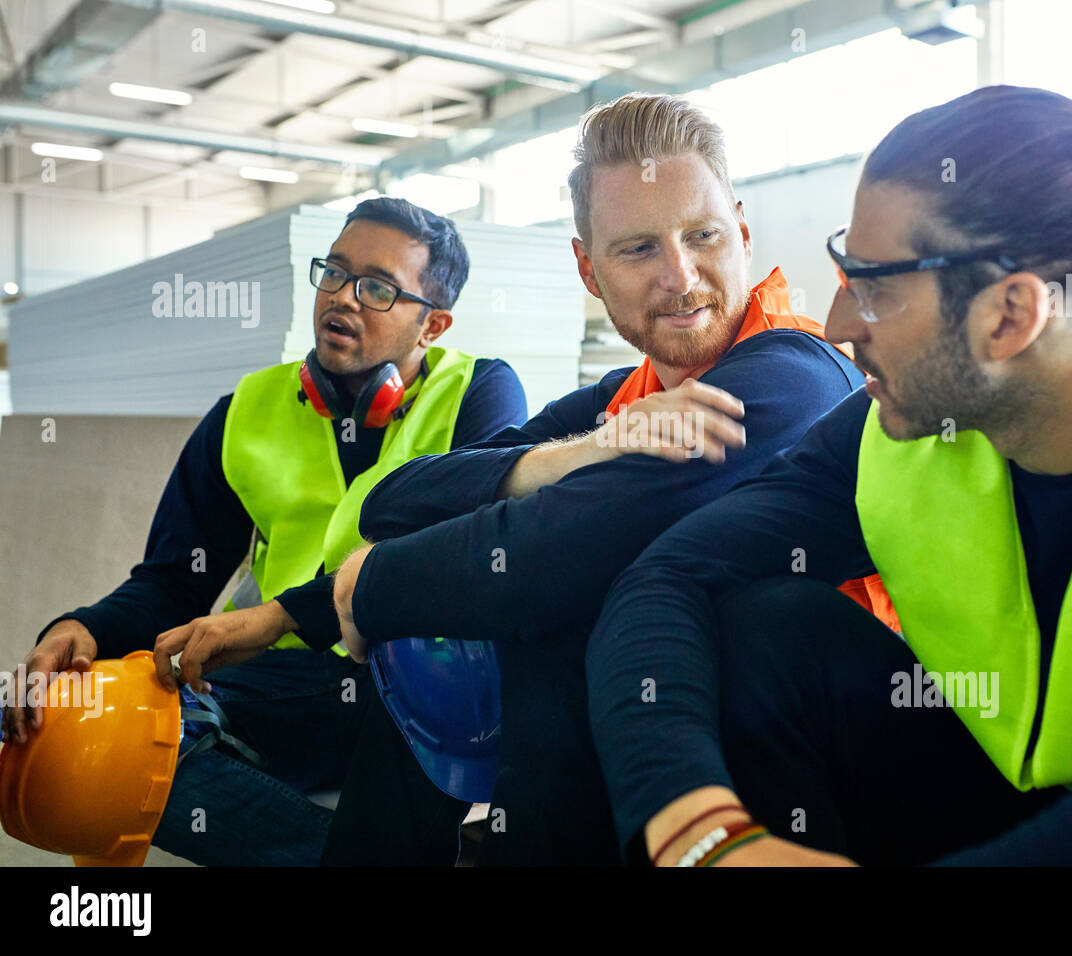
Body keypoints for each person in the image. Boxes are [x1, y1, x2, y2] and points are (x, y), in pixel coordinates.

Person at [586, 85, 1072, 867]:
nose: (838, 326)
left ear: (1008, 315)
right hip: (1001, 811)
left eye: (875, 287)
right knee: (766, 631)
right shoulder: (887, 433)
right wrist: (699, 831)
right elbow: (668, 578)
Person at [329, 92, 882, 865]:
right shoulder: (624, 400)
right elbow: (397, 495)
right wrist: (572, 455)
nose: (682, 277)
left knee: (551, 608)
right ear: (589, 269)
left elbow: (549, 553)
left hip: (816, 780)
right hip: (641, 769)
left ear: (744, 232)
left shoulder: (796, 376)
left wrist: (370, 585)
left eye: (703, 236)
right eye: (639, 250)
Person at [2, 197, 527, 866]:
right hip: (287, 684)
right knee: (91, 735)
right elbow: (173, 583)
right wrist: (83, 629)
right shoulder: (245, 411)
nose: (344, 298)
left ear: (432, 325)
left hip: (418, 688)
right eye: (334, 273)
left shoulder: (482, 395)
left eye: (378, 288)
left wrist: (278, 617)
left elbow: (444, 559)